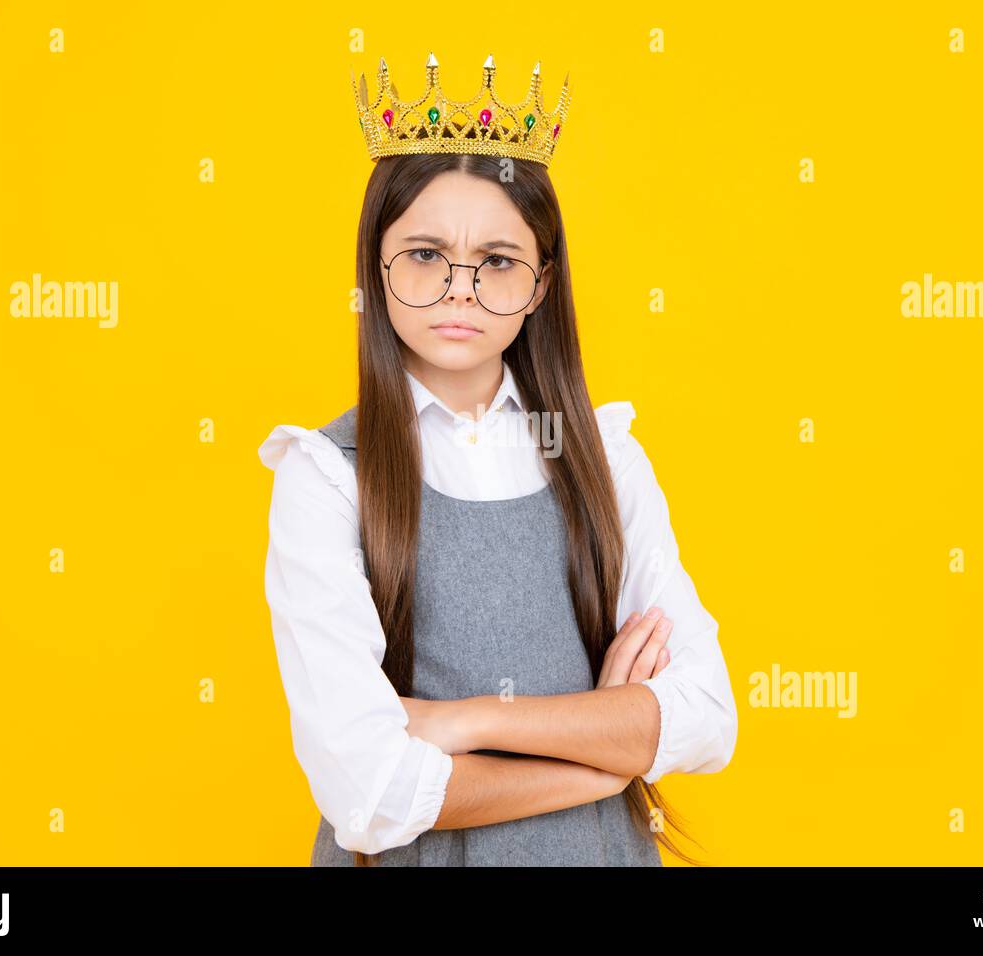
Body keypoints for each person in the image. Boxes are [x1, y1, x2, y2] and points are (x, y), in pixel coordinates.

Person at [258, 52, 738, 866]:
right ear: (373, 271)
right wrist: (604, 752)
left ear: (542, 282)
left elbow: (706, 716)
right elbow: (370, 794)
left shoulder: (604, 457)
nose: (459, 290)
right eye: (423, 255)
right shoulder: (325, 474)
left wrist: (464, 721)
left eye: (499, 262)